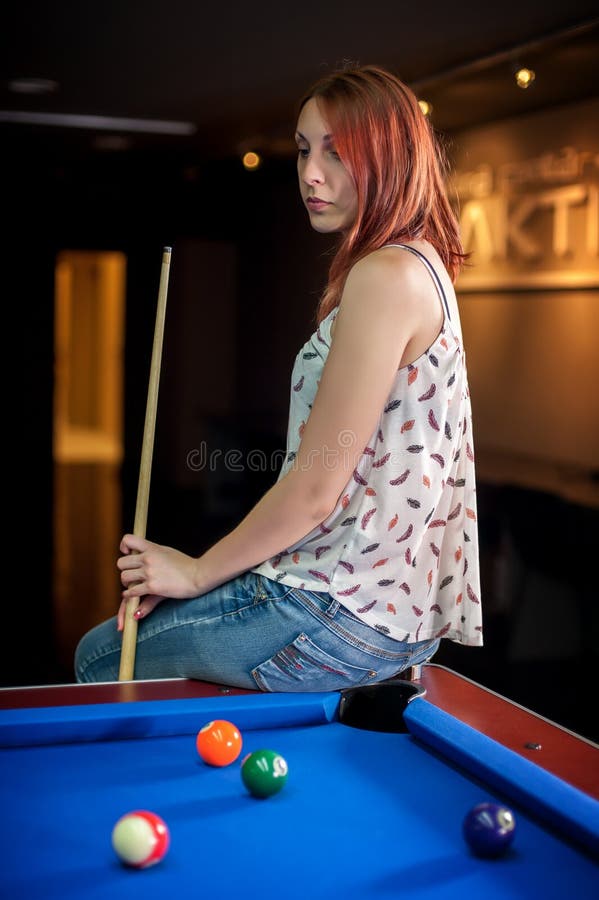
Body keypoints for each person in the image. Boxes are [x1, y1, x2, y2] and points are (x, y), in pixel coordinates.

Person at [75, 64, 482, 688]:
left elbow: (317, 485)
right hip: (389, 619)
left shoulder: (384, 276)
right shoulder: (423, 265)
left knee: (100, 656)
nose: (310, 174)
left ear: (389, 158)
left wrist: (195, 573)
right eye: (302, 150)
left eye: (337, 153)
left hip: (335, 610)